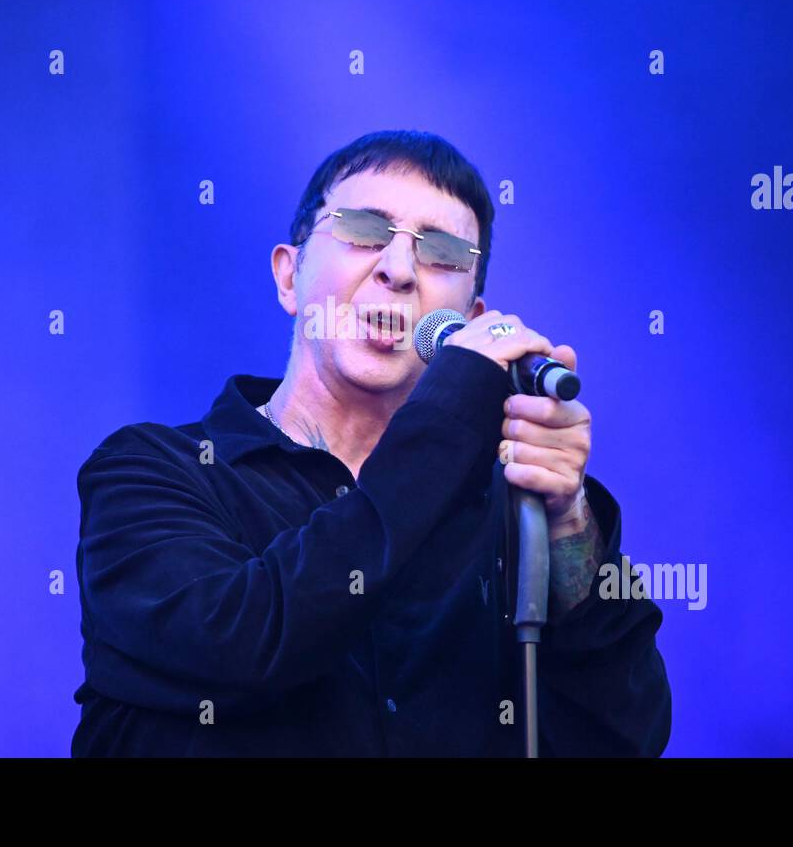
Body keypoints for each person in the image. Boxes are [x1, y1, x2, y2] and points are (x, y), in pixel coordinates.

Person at [71, 130, 671, 756]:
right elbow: (238, 647)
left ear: (470, 320)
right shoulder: (150, 471)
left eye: (442, 252)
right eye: (362, 229)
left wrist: (567, 520)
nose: (399, 269)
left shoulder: (507, 513)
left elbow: (624, 736)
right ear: (288, 275)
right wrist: (452, 417)